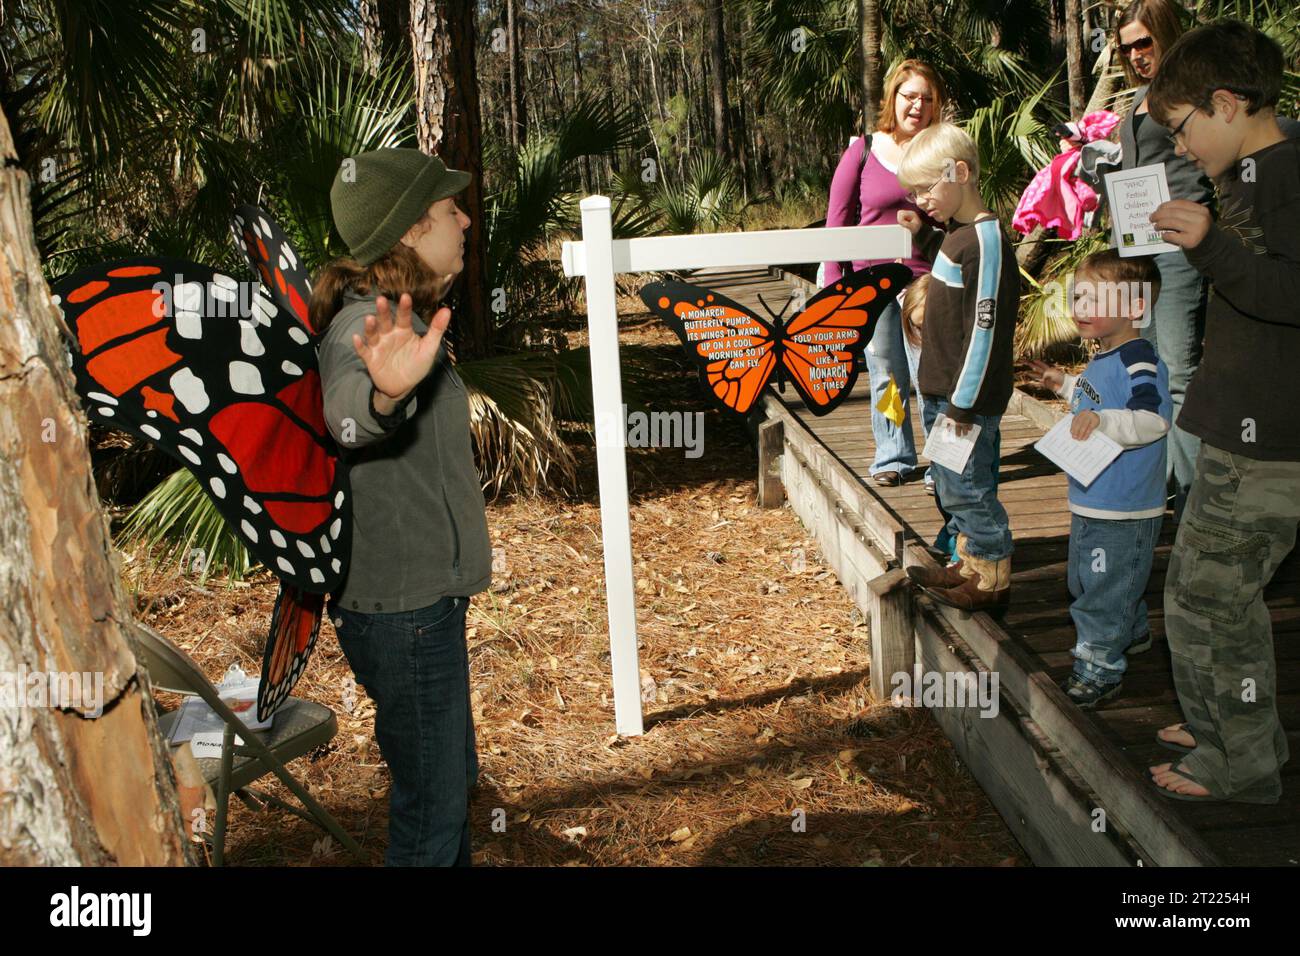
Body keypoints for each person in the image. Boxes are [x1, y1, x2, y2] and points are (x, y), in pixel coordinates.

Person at [311, 147, 492, 862]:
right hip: (404, 614)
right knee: (430, 819)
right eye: (452, 210)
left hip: (424, 607)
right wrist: (385, 394)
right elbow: (346, 414)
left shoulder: (403, 320)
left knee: (448, 799)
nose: (467, 219)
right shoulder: (363, 327)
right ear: (412, 228)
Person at [1143, 21, 1300, 804]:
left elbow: (1290, 294)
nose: (1181, 146)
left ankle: (1239, 763)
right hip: (1234, 432)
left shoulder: (1288, 173)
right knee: (1205, 596)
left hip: (1267, 446)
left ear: (1227, 102)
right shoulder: (1249, 171)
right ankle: (1230, 722)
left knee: (1214, 602)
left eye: (1182, 128)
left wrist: (1211, 245)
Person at [1030, 251, 1170, 709]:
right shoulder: (1106, 356)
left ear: (1133, 307)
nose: (1078, 306)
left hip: (1125, 505)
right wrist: (1064, 385)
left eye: (1091, 297)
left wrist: (1104, 422)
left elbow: (1152, 420)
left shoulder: (1140, 360)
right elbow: (1095, 397)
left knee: (1101, 588)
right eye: (1077, 296)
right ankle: (1130, 629)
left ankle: (1100, 667)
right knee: (1089, 579)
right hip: (1093, 494)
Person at [898, 123, 1019, 612]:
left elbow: (984, 333)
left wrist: (962, 405)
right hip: (944, 395)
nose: (923, 198)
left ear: (961, 172)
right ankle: (967, 565)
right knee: (951, 484)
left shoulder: (986, 241)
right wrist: (925, 234)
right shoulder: (958, 236)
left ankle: (991, 579)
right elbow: (951, 275)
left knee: (969, 487)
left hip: (963, 400)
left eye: (929, 187)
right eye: (916, 190)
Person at [823, 60, 945, 487]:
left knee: (930, 372)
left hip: (923, 282)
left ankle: (942, 459)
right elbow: (836, 221)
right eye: (910, 96)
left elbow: (952, 215)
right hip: (870, 282)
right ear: (892, 98)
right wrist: (835, 287)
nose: (918, 106)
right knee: (886, 374)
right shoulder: (863, 148)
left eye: (927, 99)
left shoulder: (939, 151)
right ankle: (894, 456)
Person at [1109, 0, 1210, 520]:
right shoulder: (1146, 96)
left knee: (1176, 374)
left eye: (1144, 42)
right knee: (1145, 372)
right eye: (1127, 47)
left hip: (1175, 246)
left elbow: (1200, 168)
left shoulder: (1192, 88)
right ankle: (1162, 490)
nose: (1136, 55)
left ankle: (1194, 503)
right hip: (1139, 250)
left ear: (1166, 34)